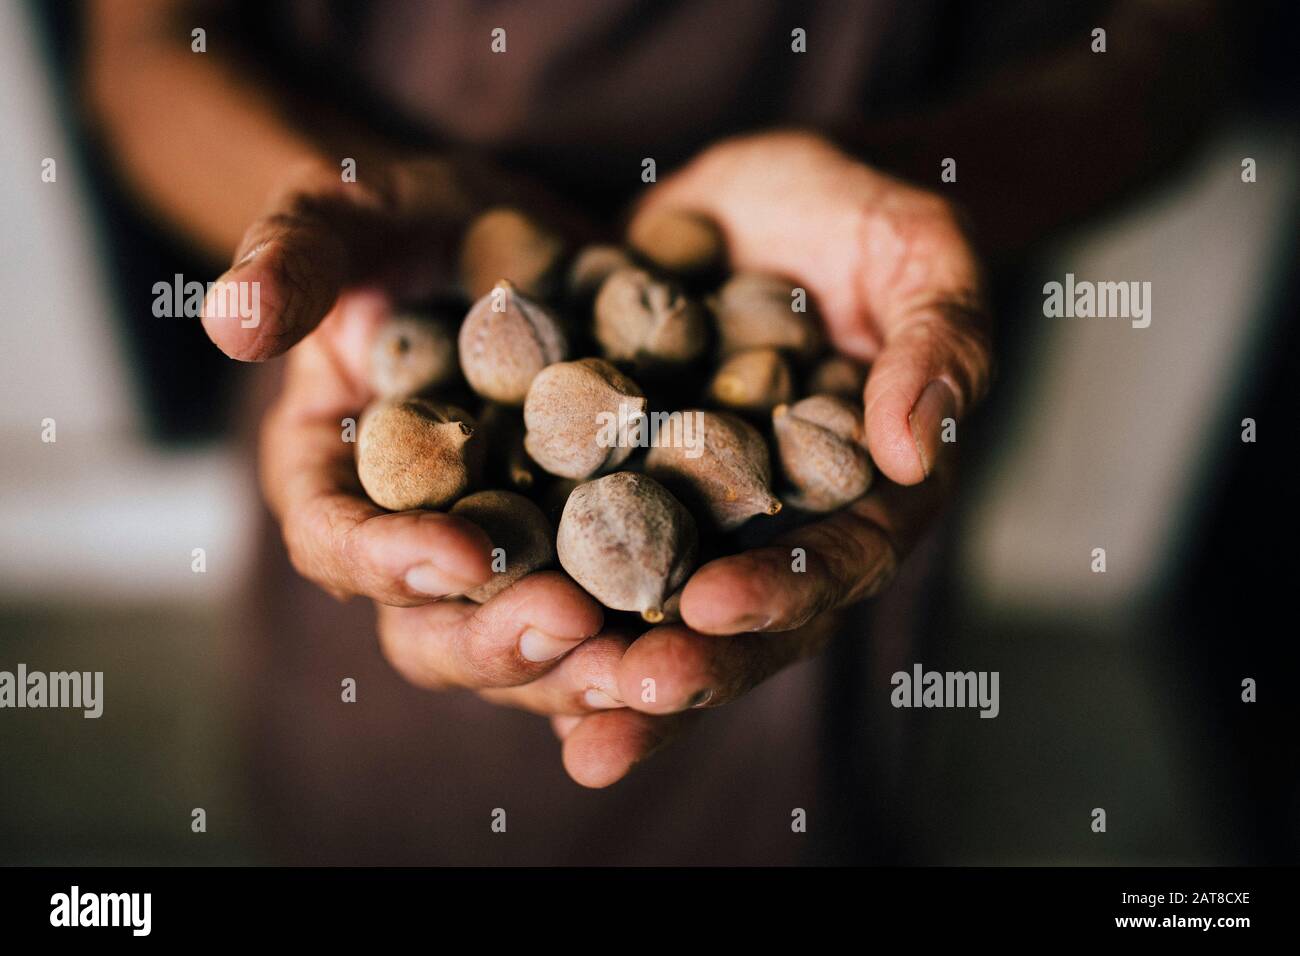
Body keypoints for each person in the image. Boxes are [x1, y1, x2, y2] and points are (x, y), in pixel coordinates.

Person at [86, 0, 1225, 863]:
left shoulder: (716, 407)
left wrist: (914, 193)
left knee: (806, 754)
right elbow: (140, 45)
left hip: (860, 333)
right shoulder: (481, 396)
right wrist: (313, 195)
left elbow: (1180, 48)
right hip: (385, 307)